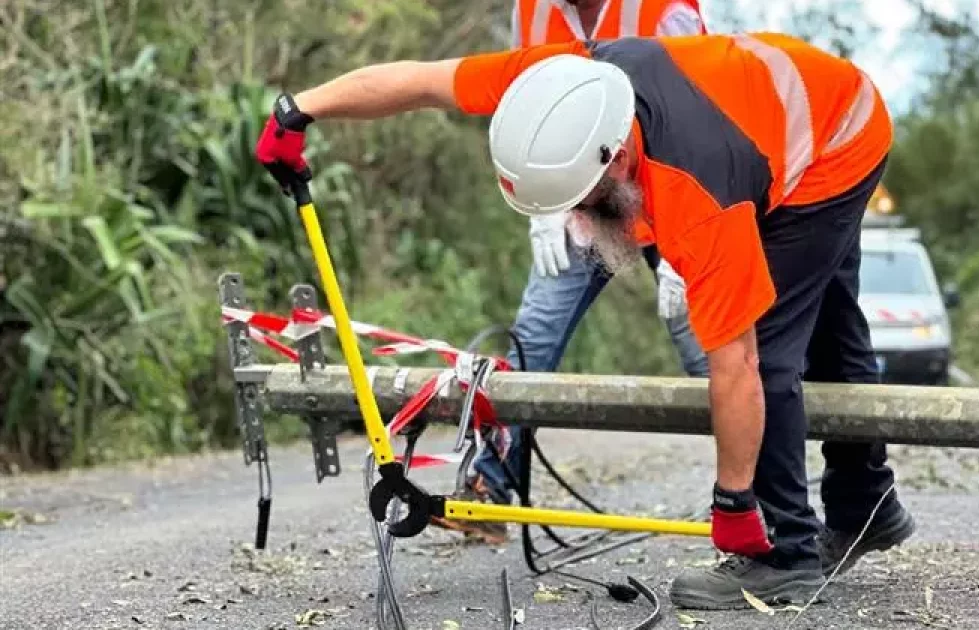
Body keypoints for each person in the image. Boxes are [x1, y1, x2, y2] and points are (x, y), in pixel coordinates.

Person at [254, 31, 916, 610]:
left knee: (771, 345)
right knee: (830, 319)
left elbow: (737, 364)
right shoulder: (553, 83)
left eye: (584, 203)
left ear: (619, 160)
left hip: (834, 142)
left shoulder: (698, 195)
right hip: (794, 106)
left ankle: (786, 555)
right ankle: (868, 508)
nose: (579, 221)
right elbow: (423, 81)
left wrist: (735, 504)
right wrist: (303, 108)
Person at [462, 0, 712, 546]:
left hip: (672, 189)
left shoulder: (665, 11)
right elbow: (528, 108)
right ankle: (490, 486)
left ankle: (761, 497)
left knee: (710, 349)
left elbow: (698, 117)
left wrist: (690, 241)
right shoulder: (531, 10)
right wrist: (543, 205)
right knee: (534, 337)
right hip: (587, 197)